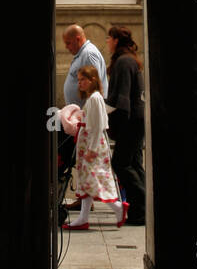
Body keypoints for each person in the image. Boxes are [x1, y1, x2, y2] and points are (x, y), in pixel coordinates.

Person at [61, 66, 126, 231]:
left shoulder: (95, 99)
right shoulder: (92, 99)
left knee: (95, 180)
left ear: (92, 81)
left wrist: (91, 149)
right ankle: (84, 217)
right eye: (79, 79)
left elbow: (97, 126)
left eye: (83, 79)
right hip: (88, 144)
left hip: (92, 145)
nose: (80, 83)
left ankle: (118, 207)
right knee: (87, 181)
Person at [105, 25, 146, 225]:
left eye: (109, 38)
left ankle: (141, 205)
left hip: (129, 122)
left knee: (120, 163)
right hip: (137, 120)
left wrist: (116, 124)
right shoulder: (129, 60)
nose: (107, 42)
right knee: (135, 164)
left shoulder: (123, 62)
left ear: (116, 40)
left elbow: (122, 99)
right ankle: (142, 209)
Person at [62, 24, 108, 106]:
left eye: (68, 43)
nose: (66, 47)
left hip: (87, 114)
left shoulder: (88, 54)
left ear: (78, 39)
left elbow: (95, 86)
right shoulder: (83, 54)